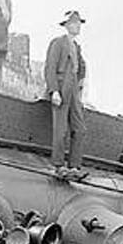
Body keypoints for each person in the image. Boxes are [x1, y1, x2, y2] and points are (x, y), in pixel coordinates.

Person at [44, 10, 88, 180]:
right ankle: (59, 165)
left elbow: (81, 69)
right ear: (67, 25)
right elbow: (50, 68)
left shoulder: (76, 47)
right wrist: (54, 90)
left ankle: (75, 166)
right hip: (62, 87)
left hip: (74, 91)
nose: (78, 26)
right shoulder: (58, 43)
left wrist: (80, 86)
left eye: (78, 23)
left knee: (80, 128)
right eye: (74, 22)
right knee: (60, 129)